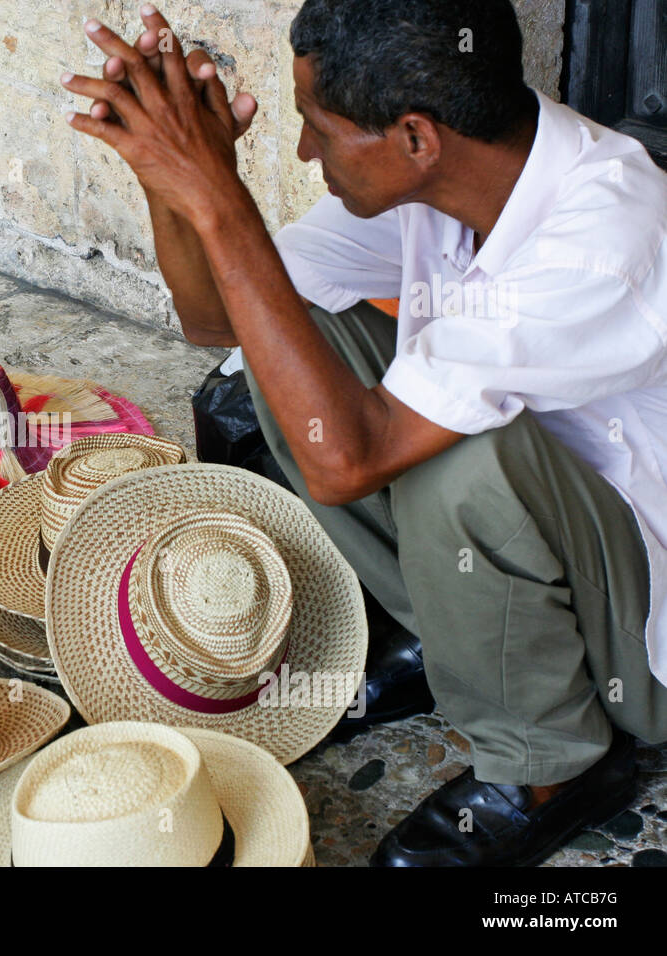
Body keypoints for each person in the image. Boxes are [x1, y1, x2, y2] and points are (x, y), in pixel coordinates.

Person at [60, 0, 667, 866]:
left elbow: (347, 463)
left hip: (643, 636)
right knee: (286, 336)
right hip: (561, 546)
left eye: (318, 127)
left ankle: (549, 762)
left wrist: (220, 197)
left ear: (415, 138)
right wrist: (179, 186)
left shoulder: (608, 230)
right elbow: (215, 317)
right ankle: (459, 636)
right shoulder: (449, 174)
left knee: (465, 461)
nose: (305, 152)